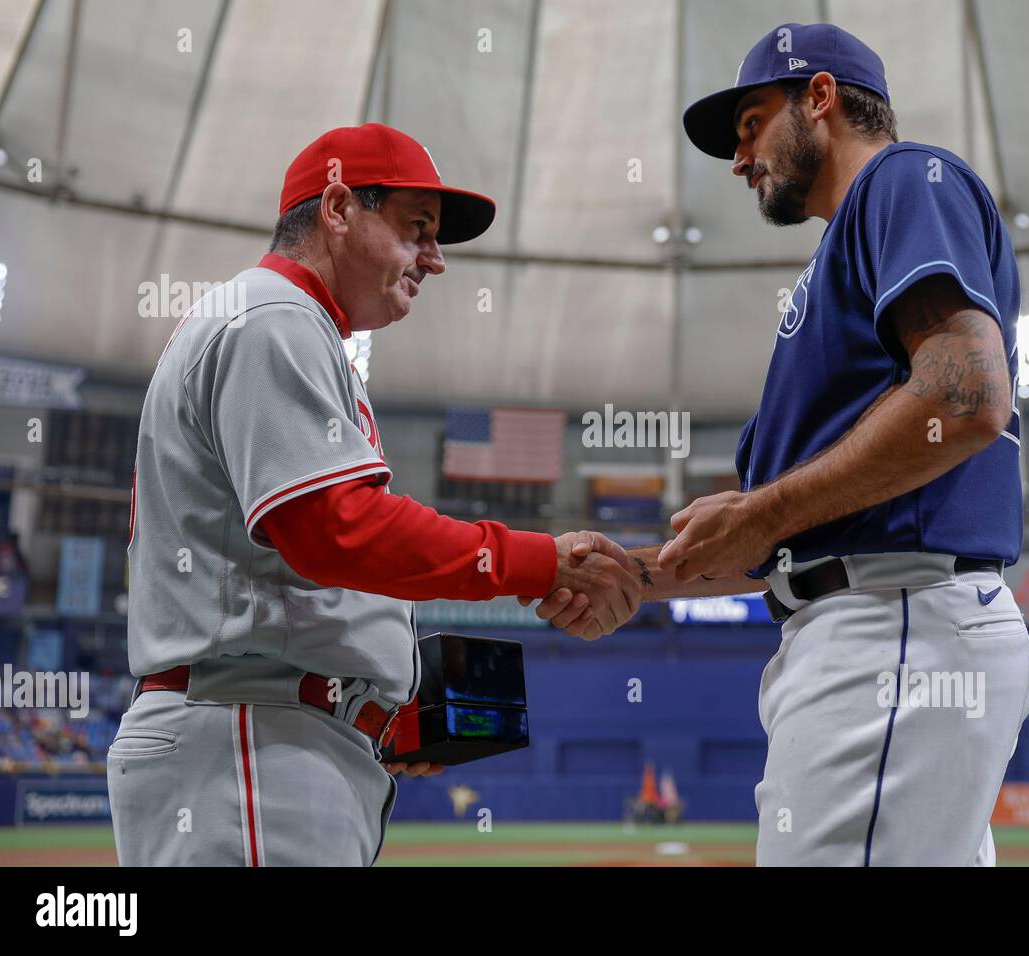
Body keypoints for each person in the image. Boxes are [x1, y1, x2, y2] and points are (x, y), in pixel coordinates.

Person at [538, 23, 1029, 866]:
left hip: (894, 630)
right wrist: (636, 580)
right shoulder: (840, 259)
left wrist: (764, 511)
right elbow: (784, 539)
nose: (738, 160)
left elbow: (966, 393)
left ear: (820, 97)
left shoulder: (906, 179)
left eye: (750, 124)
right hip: (879, 632)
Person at [109, 124, 639, 866]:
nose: (436, 258)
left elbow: (315, 563)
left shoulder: (290, 327)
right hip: (250, 738)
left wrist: (381, 707)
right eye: (417, 228)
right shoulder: (273, 317)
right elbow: (337, 531)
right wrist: (537, 562)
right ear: (336, 209)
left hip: (273, 734)